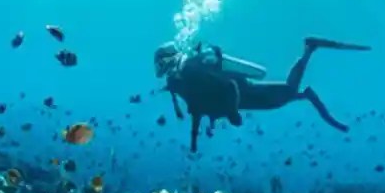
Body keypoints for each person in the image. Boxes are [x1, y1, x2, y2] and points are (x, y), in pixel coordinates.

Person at [156, 37, 369, 152]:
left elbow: (230, 85)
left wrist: (232, 113)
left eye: (165, 67)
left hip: (247, 93)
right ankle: (305, 93)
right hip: (245, 99)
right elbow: (197, 110)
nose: (168, 76)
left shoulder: (191, 72)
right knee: (285, 96)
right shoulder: (182, 83)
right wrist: (194, 142)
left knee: (288, 91)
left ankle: (309, 49)